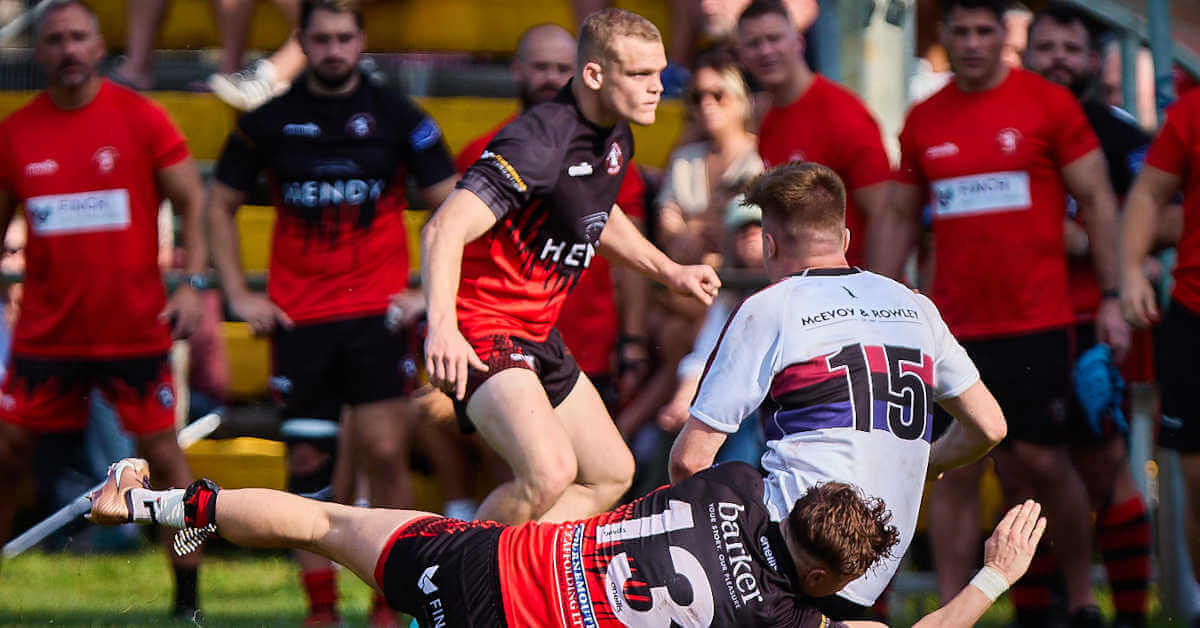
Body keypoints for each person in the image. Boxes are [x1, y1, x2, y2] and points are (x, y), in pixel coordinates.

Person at [91, 454, 1048, 628]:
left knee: (323, 519)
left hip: (477, 565)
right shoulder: (786, 618)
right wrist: (995, 576)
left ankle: (143, 510)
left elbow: (690, 447)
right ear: (831, 578)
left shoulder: (738, 484)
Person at [869, 0, 1128, 624]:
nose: (973, 43)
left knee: (1043, 460)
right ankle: (957, 608)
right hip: (954, 328)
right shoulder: (925, 118)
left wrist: (1116, 296)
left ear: (1003, 37)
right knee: (953, 470)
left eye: (986, 31)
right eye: (961, 31)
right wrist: (873, 305)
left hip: (1037, 322)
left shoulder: (1048, 105)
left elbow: (1096, 199)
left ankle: (1083, 599)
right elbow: (901, 216)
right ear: (948, 38)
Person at [205, 0, 457, 623]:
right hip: (299, 321)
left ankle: (388, 602)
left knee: (385, 453)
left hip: (376, 318)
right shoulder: (268, 119)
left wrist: (427, 292)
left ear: (362, 39)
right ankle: (319, 608)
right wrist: (239, 294)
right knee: (309, 465)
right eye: (321, 39)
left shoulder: (399, 117)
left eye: (345, 37)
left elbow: (454, 207)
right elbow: (215, 206)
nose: (334, 49)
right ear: (303, 42)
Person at [421, 8, 720, 525]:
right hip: (484, 327)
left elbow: (597, 215)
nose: (658, 88)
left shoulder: (615, 136)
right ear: (594, 74)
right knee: (549, 471)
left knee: (610, 472)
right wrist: (442, 327)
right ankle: (446, 586)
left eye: (660, 73)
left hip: (537, 332)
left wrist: (669, 270)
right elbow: (442, 228)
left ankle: (504, 579)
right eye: (640, 75)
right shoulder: (536, 141)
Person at [668, 162, 1007, 619]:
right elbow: (989, 426)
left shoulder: (771, 307)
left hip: (791, 554)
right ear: (845, 239)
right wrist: (920, 465)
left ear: (769, 245)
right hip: (874, 556)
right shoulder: (913, 303)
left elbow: (689, 461)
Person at [0, 0, 207, 620]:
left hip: (133, 331)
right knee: (6, 455)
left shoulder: (140, 117)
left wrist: (193, 284)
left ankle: (189, 601)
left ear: (98, 47)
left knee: (166, 461)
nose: (68, 49)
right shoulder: (14, 133)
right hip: (48, 335)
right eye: (56, 39)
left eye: (79, 37)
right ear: (39, 53)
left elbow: (193, 201)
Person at [1025, 7, 1159, 627]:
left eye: (1069, 48)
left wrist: (1093, 243)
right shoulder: (1006, 121)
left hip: (1091, 325)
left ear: (1093, 59)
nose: (1057, 58)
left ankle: (1131, 613)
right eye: (1045, 46)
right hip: (1019, 322)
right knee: (1032, 471)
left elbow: (1163, 216)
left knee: (1106, 466)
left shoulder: (1121, 133)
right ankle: (1044, 611)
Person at [455, 22, 651, 412]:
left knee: (600, 468)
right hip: (502, 335)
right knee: (535, 465)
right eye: (541, 67)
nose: (552, 79)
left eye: (563, 68)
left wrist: (632, 338)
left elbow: (628, 252)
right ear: (517, 70)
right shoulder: (483, 150)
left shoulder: (611, 150)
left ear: (585, 74)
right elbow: (450, 241)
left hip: (587, 339)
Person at [1121, 25, 1200, 619]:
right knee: (1199, 482)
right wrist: (1128, 271)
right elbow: (1147, 195)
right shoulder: (1193, 113)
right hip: (1194, 313)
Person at [735, 0, 891, 268]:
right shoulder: (769, 119)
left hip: (851, 291)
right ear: (741, 55)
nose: (765, 51)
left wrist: (875, 291)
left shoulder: (842, 112)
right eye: (753, 43)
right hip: (802, 291)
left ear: (798, 41)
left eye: (774, 38)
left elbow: (885, 213)